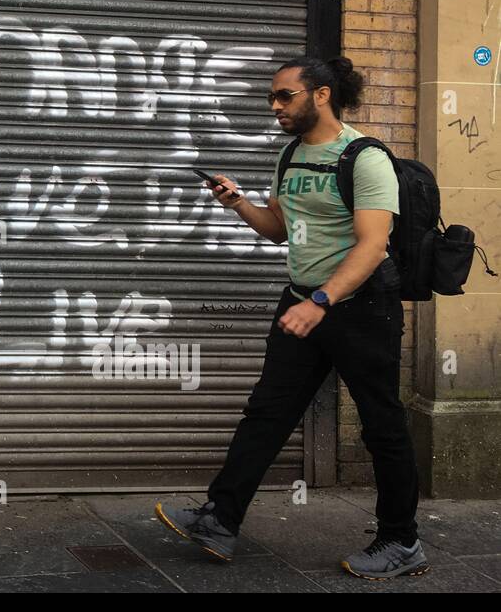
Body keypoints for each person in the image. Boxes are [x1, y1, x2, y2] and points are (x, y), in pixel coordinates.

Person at [154, 56, 427, 580]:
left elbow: (373, 247)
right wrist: (237, 203)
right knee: (267, 413)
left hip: (361, 308)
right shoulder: (292, 154)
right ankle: (219, 520)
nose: (274, 106)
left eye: (285, 96)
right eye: (272, 97)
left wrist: (319, 302)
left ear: (321, 95)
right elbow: (278, 228)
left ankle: (402, 540)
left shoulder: (365, 157)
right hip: (304, 301)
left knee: (382, 425)